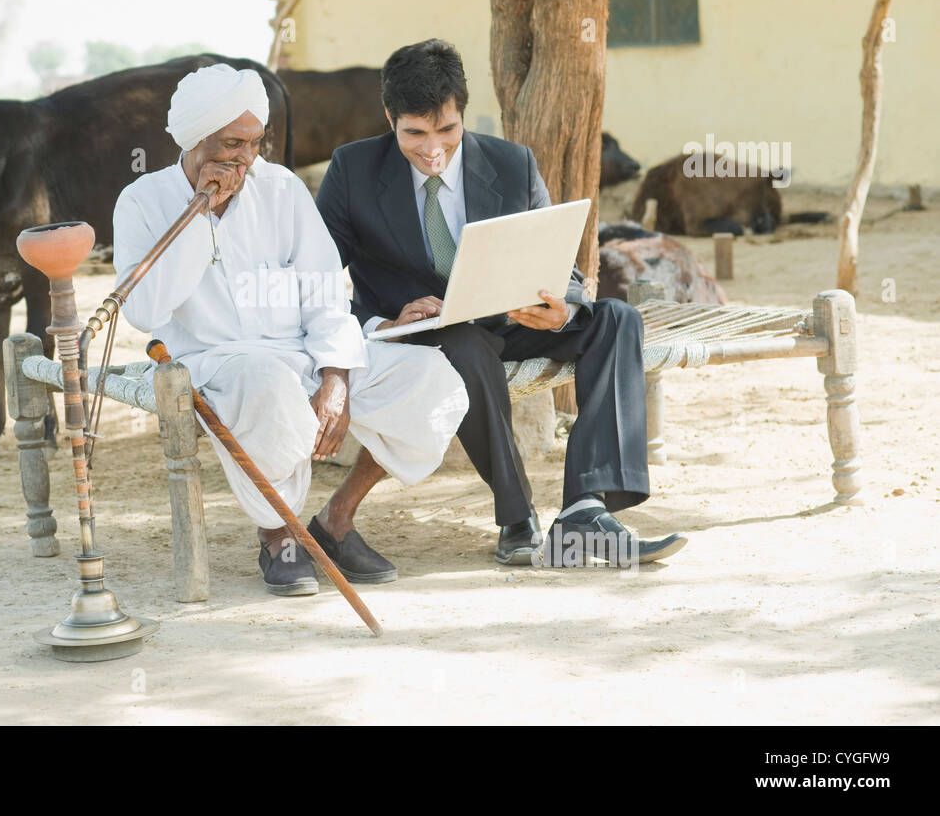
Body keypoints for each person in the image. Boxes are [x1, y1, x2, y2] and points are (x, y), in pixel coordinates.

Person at [315, 39, 687, 567]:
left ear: (463, 113)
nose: (433, 148)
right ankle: (518, 517)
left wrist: (565, 304)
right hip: (429, 334)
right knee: (462, 344)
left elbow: (558, 260)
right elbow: (316, 280)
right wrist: (382, 321)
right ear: (389, 118)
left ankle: (585, 506)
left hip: (516, 316)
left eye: (447, 129)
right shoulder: (351, 171)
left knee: (615, 319)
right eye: (415, 133)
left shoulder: (513, 163)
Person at [113, 63, 469, 594]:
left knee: (429, 379)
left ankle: (335, 521)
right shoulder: (142, 201)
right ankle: (279, 536)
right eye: (232, 143)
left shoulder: (282, 189)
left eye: (255, 142)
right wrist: (198, 211)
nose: (247, 157)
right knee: (268, 386)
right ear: (195, 138)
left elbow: (327, 293)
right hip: (219, 362)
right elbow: (143, 308)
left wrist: (336, 377)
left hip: (305, 353)